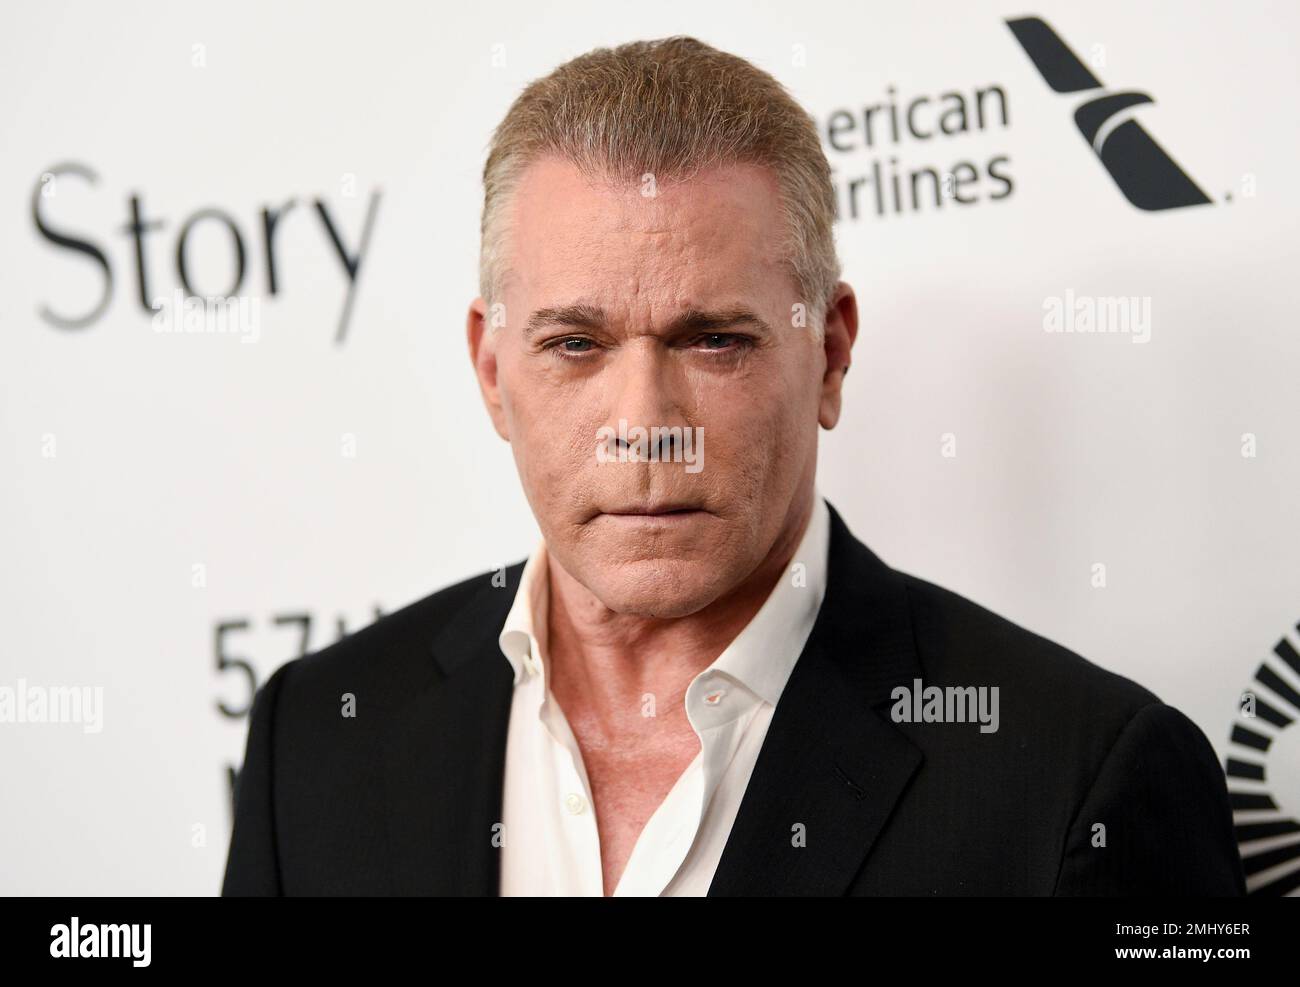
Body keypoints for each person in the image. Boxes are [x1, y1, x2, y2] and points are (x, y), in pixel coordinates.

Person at [221, 36, 1244, 896]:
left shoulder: (1080, 779)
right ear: (492, 370)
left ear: (830, 352)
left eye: (713, 341)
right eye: (574, 345)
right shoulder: (319, 738)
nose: (645, 426)